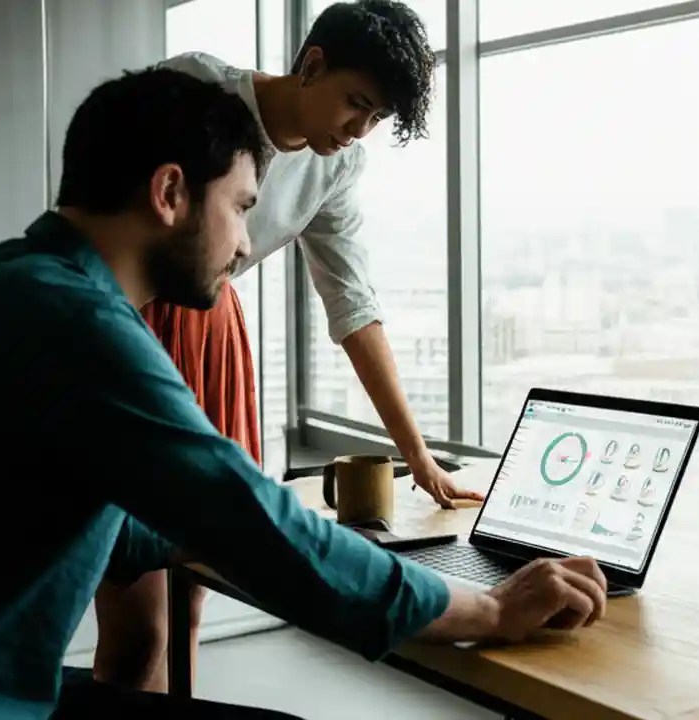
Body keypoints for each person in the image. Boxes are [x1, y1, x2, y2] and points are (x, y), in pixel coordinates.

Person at [0, 67, 607, 719]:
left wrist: (222, 531)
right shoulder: (81, 324)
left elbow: (71, 511)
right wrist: (488, 608)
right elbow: (241, 517)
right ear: (170, 192)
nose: (246, 244)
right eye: (242, 207)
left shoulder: (5, 280)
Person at [94, 0, 484, 692]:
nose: (359, 129)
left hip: (213, 331)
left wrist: (419, 457)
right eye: (356, 103)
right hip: (135, 317)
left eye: (376, 118)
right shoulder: (198, 87)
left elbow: (354, 307)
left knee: (190, 600)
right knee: (137, 624)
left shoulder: (337, 167)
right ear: (313, 64)